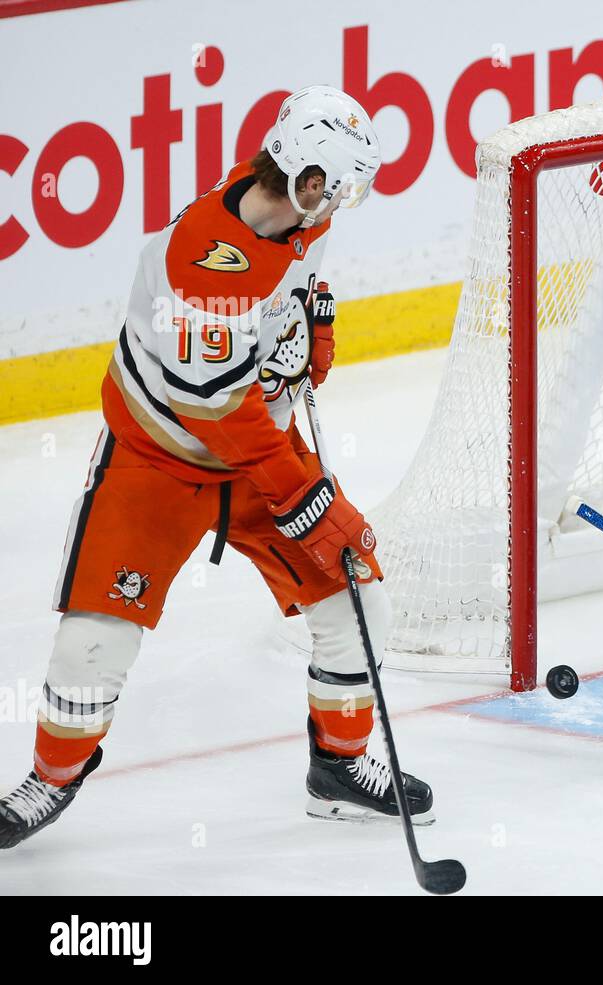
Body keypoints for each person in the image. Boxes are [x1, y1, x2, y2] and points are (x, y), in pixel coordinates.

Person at [0, 85, 432, 849]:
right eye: (335, 189)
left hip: (254, 446)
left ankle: (337, 768)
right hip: (160, 458)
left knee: (356, 604)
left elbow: (288, 293)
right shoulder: (203, 263)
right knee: (92, 645)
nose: (342, 205)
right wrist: (308, 499)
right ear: (302, 174)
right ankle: (51, 776)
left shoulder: (299, 211)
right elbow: (214, 414)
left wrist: (309, 329)